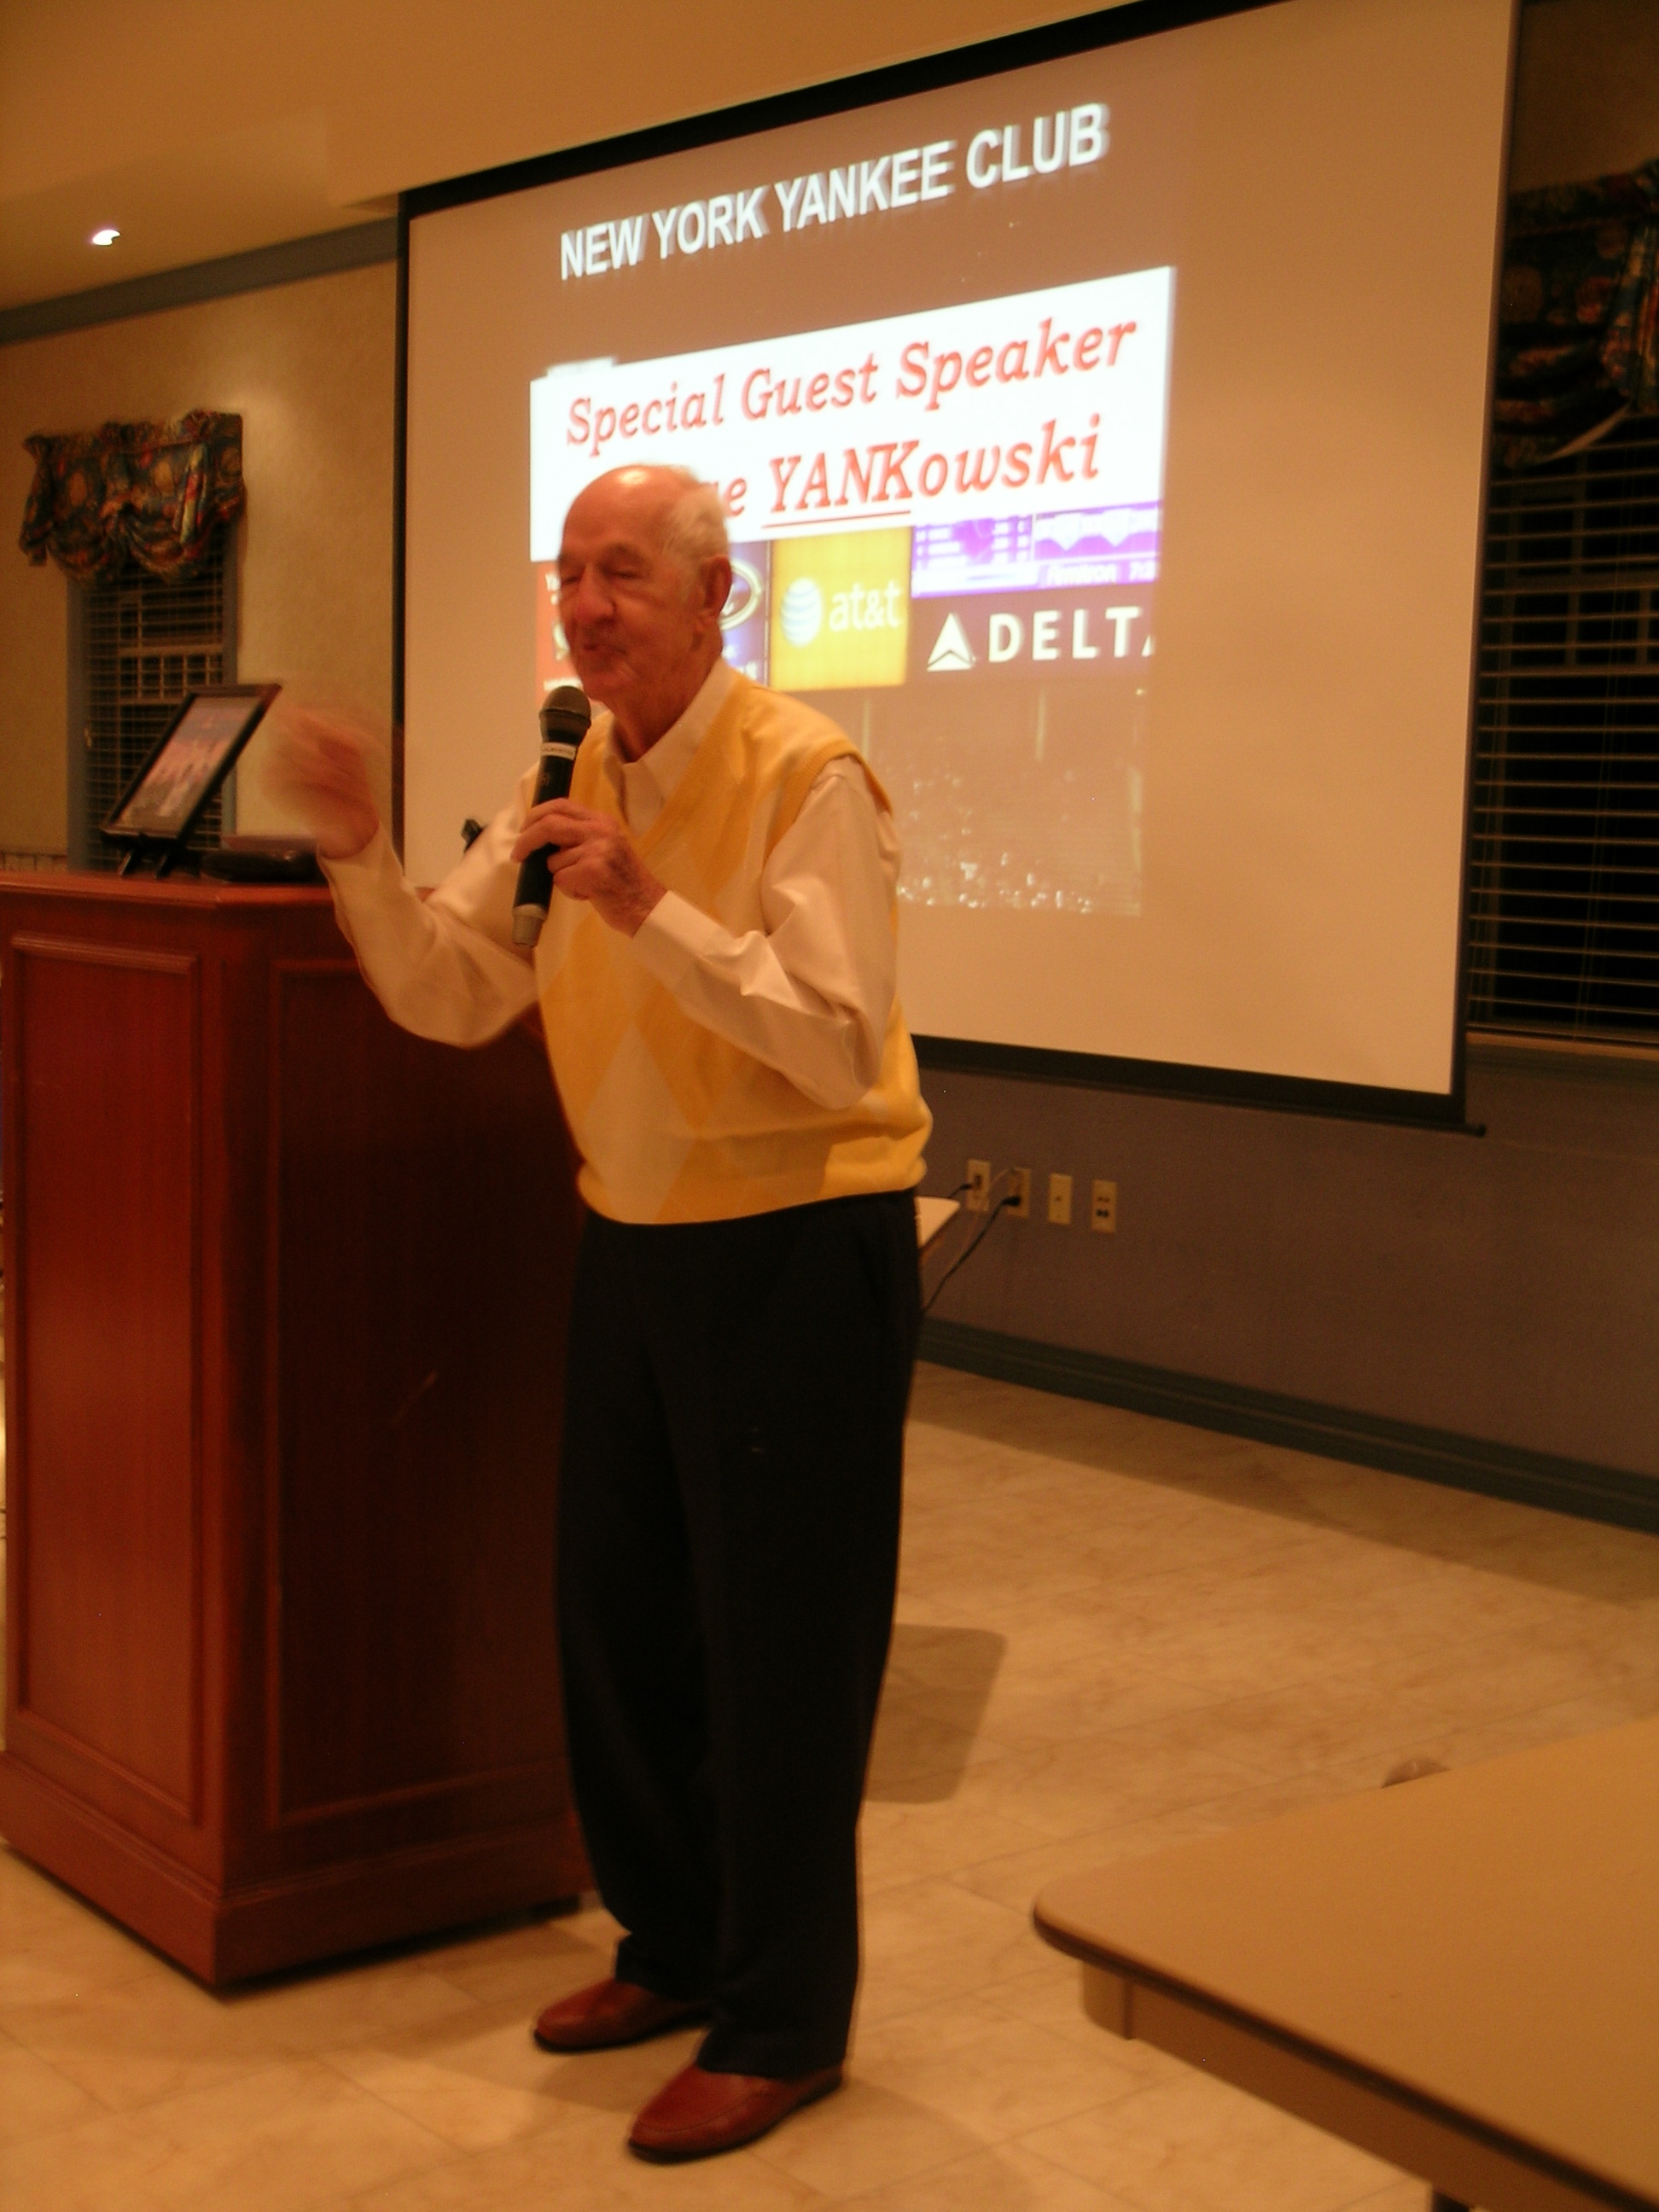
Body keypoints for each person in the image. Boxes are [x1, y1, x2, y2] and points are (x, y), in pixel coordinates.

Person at [270, 463, 932, 2163]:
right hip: (634, 1237)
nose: (587, 605)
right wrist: (361, 849)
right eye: (570, 574)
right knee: (621, 1626)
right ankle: (678, 1944)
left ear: (721, 596)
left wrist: (650, 906)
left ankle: (782, 2020)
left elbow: (832, 1035)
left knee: (782, 1652)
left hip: (798, 1244)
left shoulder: (805, 774)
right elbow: (448, 991)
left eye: (624, 573)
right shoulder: (563, 779)